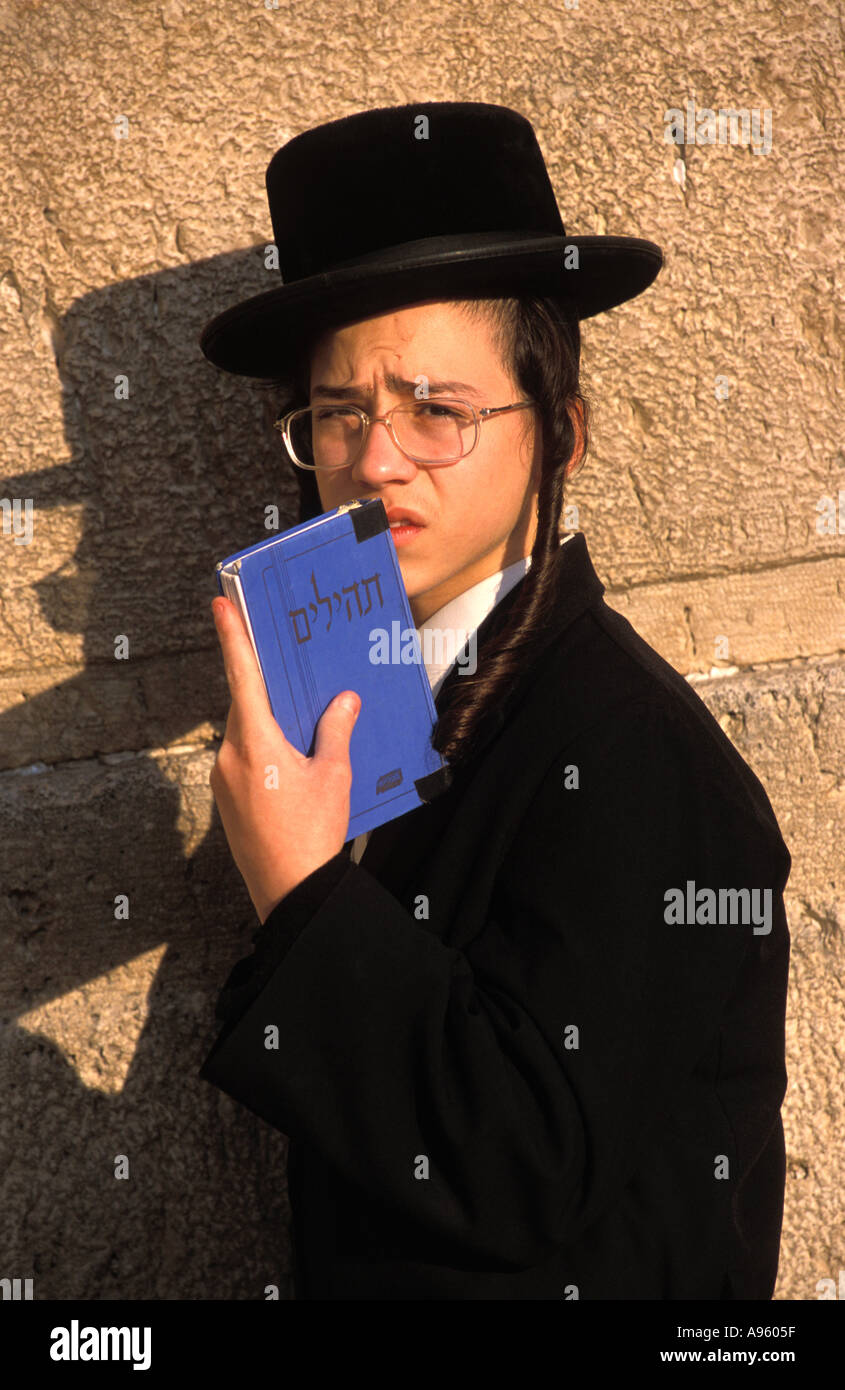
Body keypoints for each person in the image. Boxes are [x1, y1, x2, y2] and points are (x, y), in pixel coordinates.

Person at [197, 102, 791, 1300]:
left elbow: (522, 1164)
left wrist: (305, 899)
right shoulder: (365, 695)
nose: (373, 460)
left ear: (558, 433)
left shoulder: (634, 755)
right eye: (336, 412)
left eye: (437, 409)